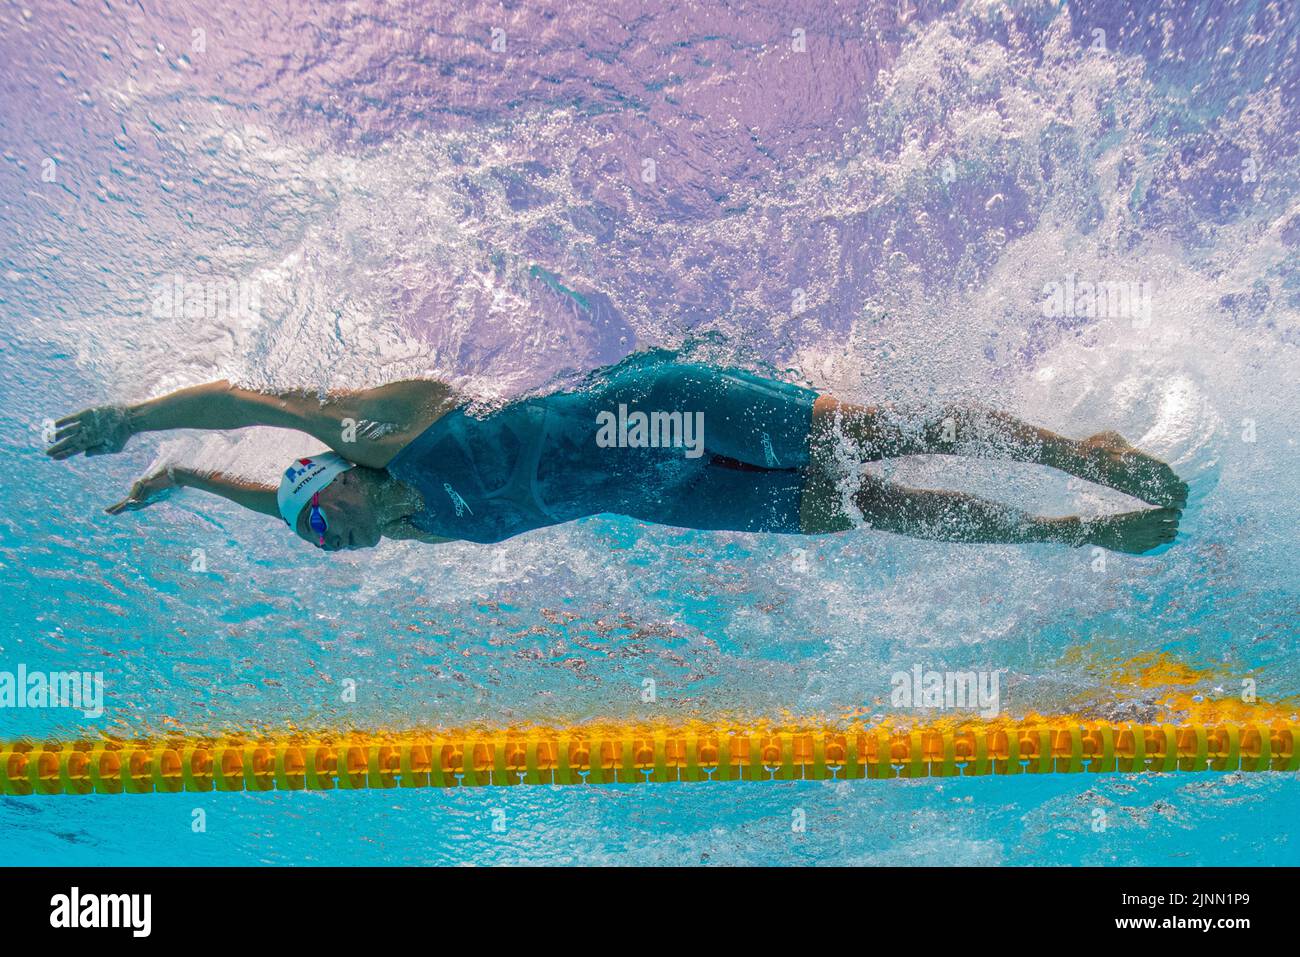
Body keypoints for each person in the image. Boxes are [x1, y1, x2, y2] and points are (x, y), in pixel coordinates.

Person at [46, 352, 1186, 554]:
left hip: (662, 409)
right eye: (318, 543)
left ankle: (1080, 452)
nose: (329, 540)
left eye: (321, 519)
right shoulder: (426, 530)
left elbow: (245, 399)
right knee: (868, 510)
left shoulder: (379, 436)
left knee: (875, 437)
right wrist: (194, 480)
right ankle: (1065, 534)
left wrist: (134, 425)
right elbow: (281, 504)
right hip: (669, 492)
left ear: (336, 480)